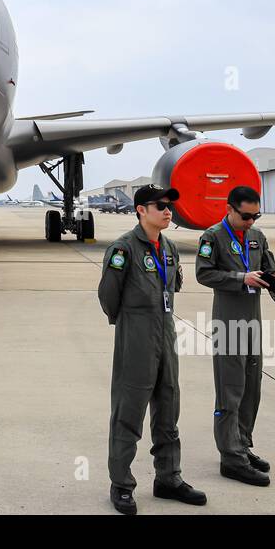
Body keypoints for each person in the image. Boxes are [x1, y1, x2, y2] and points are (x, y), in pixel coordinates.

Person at [98, 184, 207, 514]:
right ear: (141, 210)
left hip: (166, 334)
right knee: (129, 411)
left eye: (169, 204)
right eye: (159, 205)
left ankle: (168, 478)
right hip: (136, 336)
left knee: (168, 406)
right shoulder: (124, 249)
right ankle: (121, 485)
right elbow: (108, 296)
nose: (167, 210)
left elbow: (173, 287)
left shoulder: (170, 248)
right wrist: (132, 323)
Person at [194, 185, 275, 486]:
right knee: (231, 389)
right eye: (245, 216)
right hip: (228, 323)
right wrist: (242, 278)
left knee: (252, 388)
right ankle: (230, 457)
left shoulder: (257, 237)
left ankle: (242, 445)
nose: (251, 222)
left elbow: (268, 266)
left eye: (256, 215)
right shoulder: (213, 236)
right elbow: (204, 273)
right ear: (229, 209)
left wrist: (273, 281)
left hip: (253, 321)